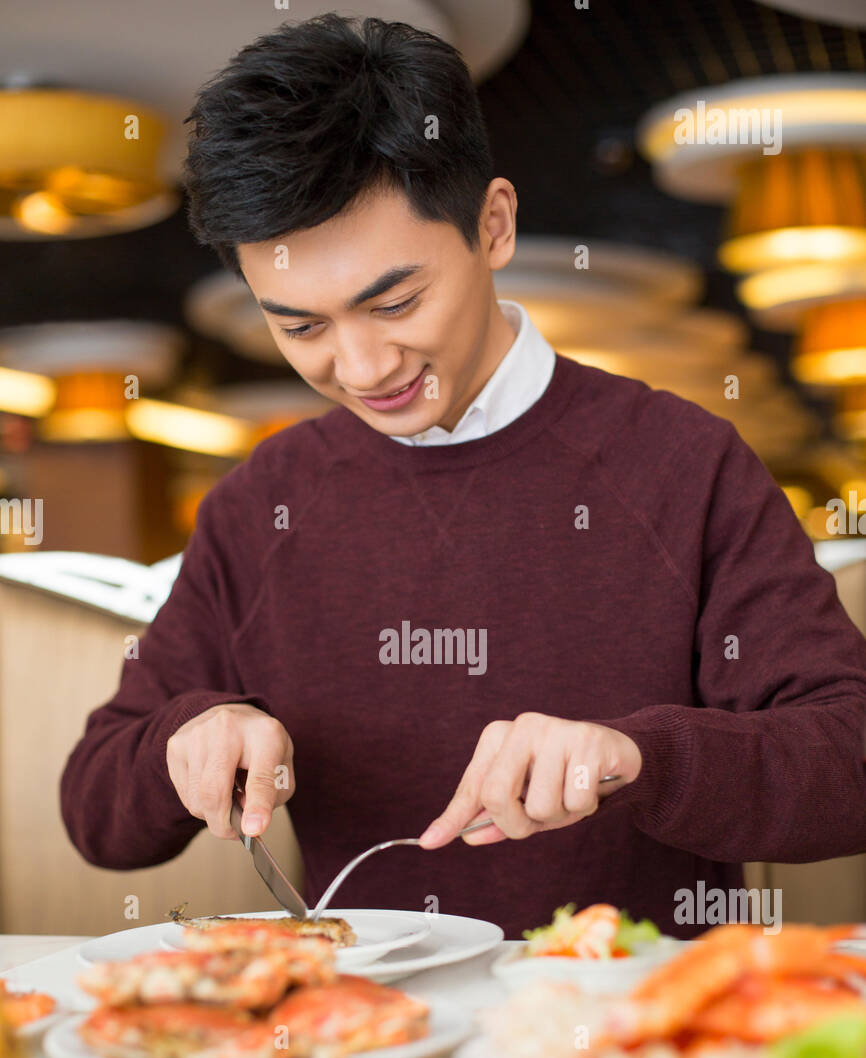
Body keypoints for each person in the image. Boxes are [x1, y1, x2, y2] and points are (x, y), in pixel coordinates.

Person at [60, 14, 866, 939]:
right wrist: (185, 739)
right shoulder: (264, 502)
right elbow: (96, 809)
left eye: (395, 302)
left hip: (629, 1038)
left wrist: (637, 758)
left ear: (492, 225)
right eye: (301, 327)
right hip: (362, 1039)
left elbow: (848, 757)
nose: (361, 370)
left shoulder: (682, 461)